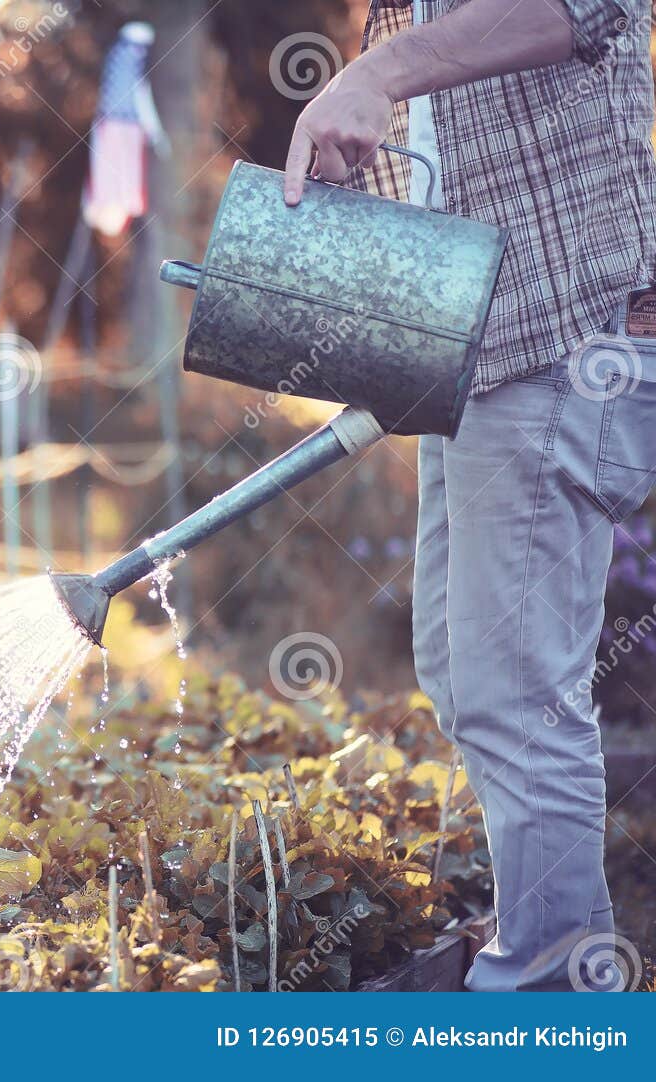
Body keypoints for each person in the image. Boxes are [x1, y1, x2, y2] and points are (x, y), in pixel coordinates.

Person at [283, 0, 656, 991]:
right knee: (464, 674)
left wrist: (373, 73)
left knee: (515, 695)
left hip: (562, 341)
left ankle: (543, 998)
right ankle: (548, 942)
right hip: (482, 356)